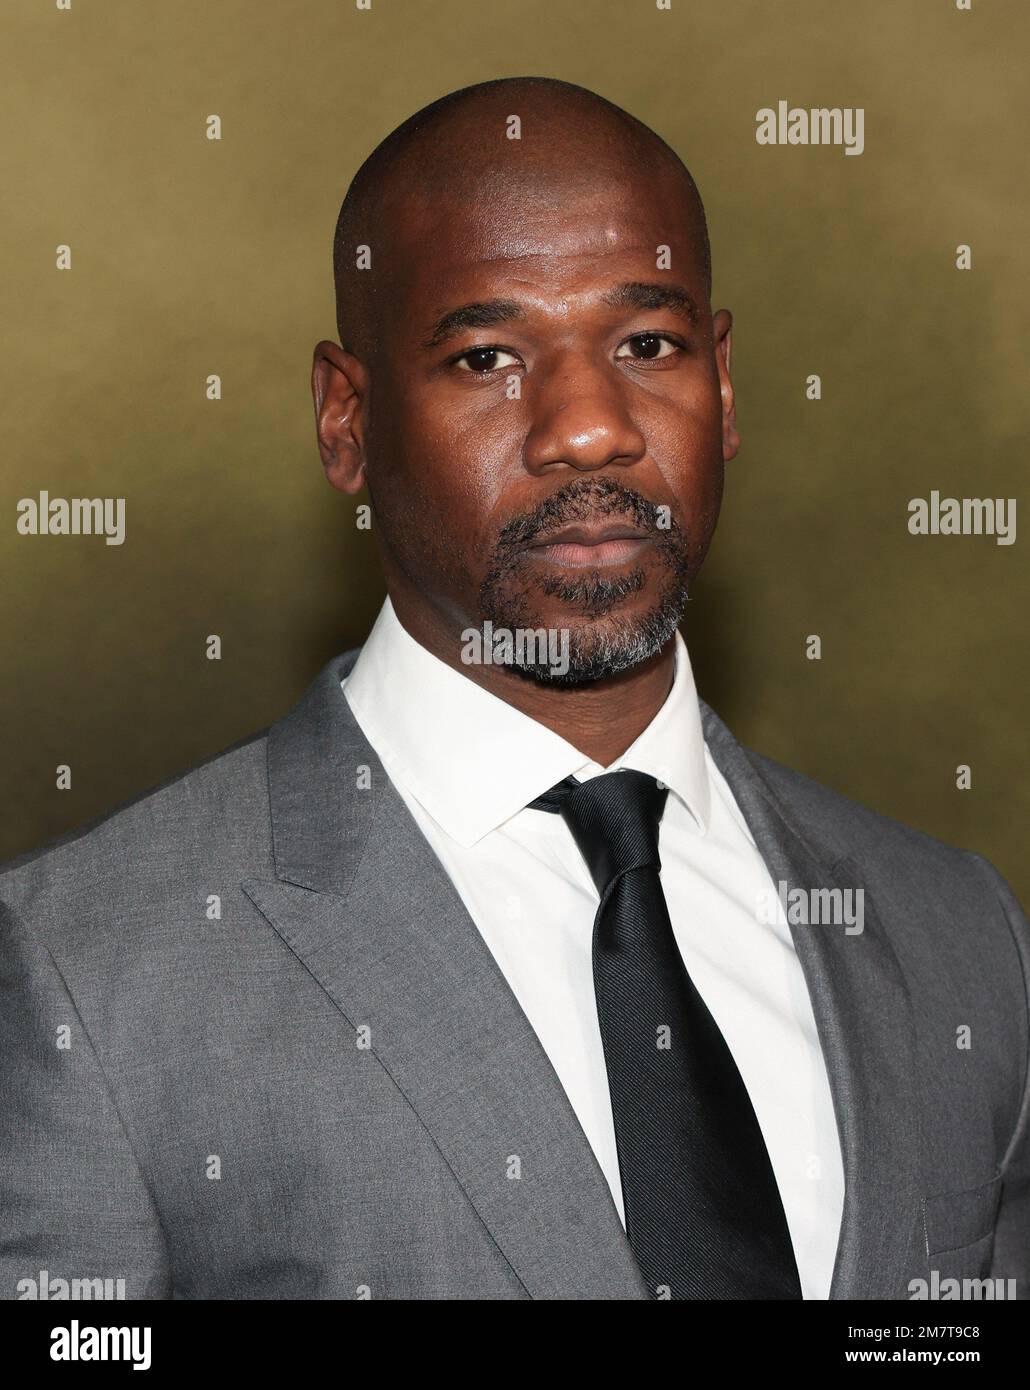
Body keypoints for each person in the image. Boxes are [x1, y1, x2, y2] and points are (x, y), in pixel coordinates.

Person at [2, 77, 1026, 1302]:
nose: (589, 427)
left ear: (727, 383)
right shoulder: (87, 967)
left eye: (648, 344)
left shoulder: (958, 934)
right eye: (486, 356)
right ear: (346, 420)